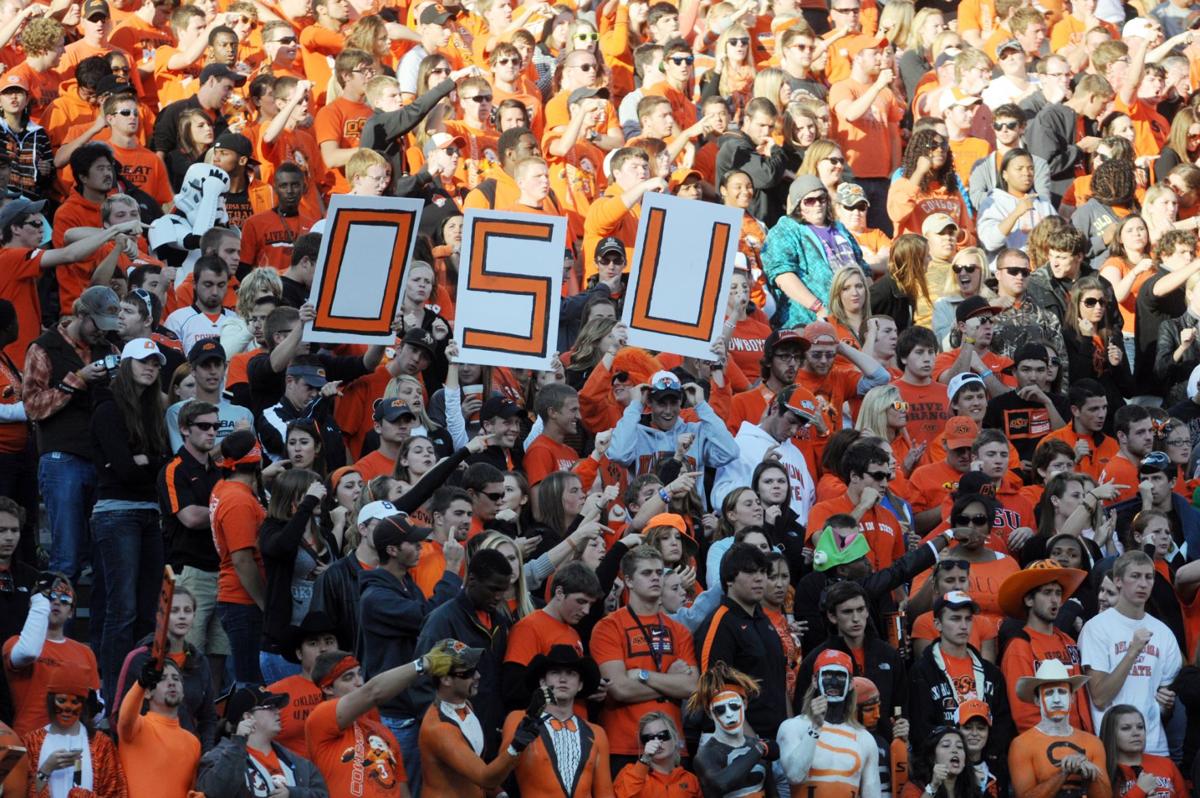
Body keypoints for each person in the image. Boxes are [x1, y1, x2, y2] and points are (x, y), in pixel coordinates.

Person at [89, 337, 170, 709]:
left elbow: (162, 466)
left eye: (155, 362)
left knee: (145, 609)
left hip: (148, 513)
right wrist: (145, 466)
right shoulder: (107, 408)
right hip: (116, 512)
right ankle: (111, 694)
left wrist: (146, 463)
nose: (151, 367)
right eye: (143, 361)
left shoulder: (155, 410)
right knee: (121, 608)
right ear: (126, 364)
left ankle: (139, 692)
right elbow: (123, 468)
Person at [359, 512, 462, 793]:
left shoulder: (405, 584)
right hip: (395, 715)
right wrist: (451, 569)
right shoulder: (376, 597)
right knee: (399, 791)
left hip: (412, 707)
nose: (420, 547)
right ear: (392, 550)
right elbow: (431, 617)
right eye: (412, 543)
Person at [591, 544, 697, 769]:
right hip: (625, 746)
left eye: (659, 573)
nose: (655, 578)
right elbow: (619, 689)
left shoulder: (679, 631)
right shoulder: (608, 627)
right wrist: (669, 681)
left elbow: (691, 687)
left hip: (673, 746)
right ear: (628, 580)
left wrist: (642, 675)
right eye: (646, 573)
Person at [1079, 550, 1182, 757]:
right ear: (1118, 581)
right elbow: (1099, 696)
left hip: (1155, 746)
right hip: (1112, 749)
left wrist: (1167, 705)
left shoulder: (1163, 633)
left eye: (1149, 577)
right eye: (1135, 576)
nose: (1143, 584)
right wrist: (1132, 653)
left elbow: (1163, 700)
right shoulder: (1096, 628)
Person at [694, 542, 788, 741]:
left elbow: (779, 680)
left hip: (777, 739)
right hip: (738, 745)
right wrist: (755, 745)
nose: (759, 578)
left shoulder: (764, 620)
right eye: (750, 572)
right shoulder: (720, 623)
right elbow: (715, 691)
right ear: (729, 580)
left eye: (763, 572)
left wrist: (789, 732)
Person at [417, 638, 533, 797]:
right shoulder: (440, 729)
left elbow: (476, 764)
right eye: (469, 672)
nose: (478, 675)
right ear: (446, 679)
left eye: (476, 669)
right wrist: (516, 746)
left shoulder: (466, 706)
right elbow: (485, 778)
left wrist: (500, 794)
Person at [500, 644, 613, 796]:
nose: (562, 679)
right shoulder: (520, 719)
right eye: (555, 672)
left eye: (571, 673)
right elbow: (498, 775)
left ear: (580, 685)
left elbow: (605, 793)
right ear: (543, 682)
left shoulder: (597, 733)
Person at [908, 590, 1015, 750]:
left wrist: (983, 758)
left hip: (986, 764)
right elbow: (921, 728)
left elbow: (1003, 724)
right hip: (941, 765)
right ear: (937, 624)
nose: (964, 626)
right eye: (955, 619)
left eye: (968, 619)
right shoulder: (922, 671)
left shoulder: (992, 674)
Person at [762, 174, 869, 328]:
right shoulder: (785, 229)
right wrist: (818, 308)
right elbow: (782, 275)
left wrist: (868, 308)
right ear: (798, 204)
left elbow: (863, 268)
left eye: (822, 198)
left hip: (853, 314)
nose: (817, 204)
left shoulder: (840, 228)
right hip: (810, 319)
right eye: (810, 201)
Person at [998, 560, 1093, 732]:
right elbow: (1023, 712)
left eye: (1058, 593)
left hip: (1080, 741)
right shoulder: (1019, 646)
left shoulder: (1068, 641)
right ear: (1029, 600)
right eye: (1047, 592)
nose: (1055, 600)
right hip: (1046, 746)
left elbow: (1081, 700)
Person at [4, 573, 99, 737]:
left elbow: (97, 712)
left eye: (64, 599)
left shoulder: (85, 652)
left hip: (71, 743)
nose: (56, 601)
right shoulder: (16, 643)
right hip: (30, 740)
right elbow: (28, 652)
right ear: (35, 603)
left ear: (71, 612)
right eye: (49, 596)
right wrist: (39, 602)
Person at [196, 683, 328, 797]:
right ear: (248, 717)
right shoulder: (216, 758)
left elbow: (323, 794)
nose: (278, 711)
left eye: (277, 707)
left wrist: (293, 794)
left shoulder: (296, 761)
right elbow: (214, 793)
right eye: (269, 707)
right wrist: (238, 744)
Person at [1008, 658, 1111, 797]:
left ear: (1072, 697)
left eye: (1062, 692)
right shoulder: (1022, 745)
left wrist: (1092, 775)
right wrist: (1064, 773)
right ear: (1037, 700)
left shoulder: (1093, 743)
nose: (1057, 700)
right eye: (1049, 693)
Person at [23, 669, 125, 797]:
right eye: (61, 701)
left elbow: (116, 792)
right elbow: (19, 791)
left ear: (83, 705)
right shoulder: (31, 742)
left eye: (75, 702)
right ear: (50, 701)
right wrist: (46, 769)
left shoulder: (102, 744)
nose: (68, 708)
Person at [687, 662, 776, 798]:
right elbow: (721, 784)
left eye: (734, 706)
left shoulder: (756, 744)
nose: (729, 714)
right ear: (710, 713)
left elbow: (772, 792)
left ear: (744, 704)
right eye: (720, 710)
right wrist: (759, 750)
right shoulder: (707, 754)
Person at [117, 658, 202, 798]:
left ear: (183, 692)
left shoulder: (193, 742)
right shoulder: (136, 727)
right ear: (147, 693)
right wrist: (141, 684)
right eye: (162, 679)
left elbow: (191, 792)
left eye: (176, 678)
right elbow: (125, 719)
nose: (171, 683)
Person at [1100, 704, 1188, 797]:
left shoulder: (1166, 764)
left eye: (1140, 727)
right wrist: (1139, 790)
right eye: (1126, 728)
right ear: (1110, 734)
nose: (1136, 733)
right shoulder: (1104, 771)